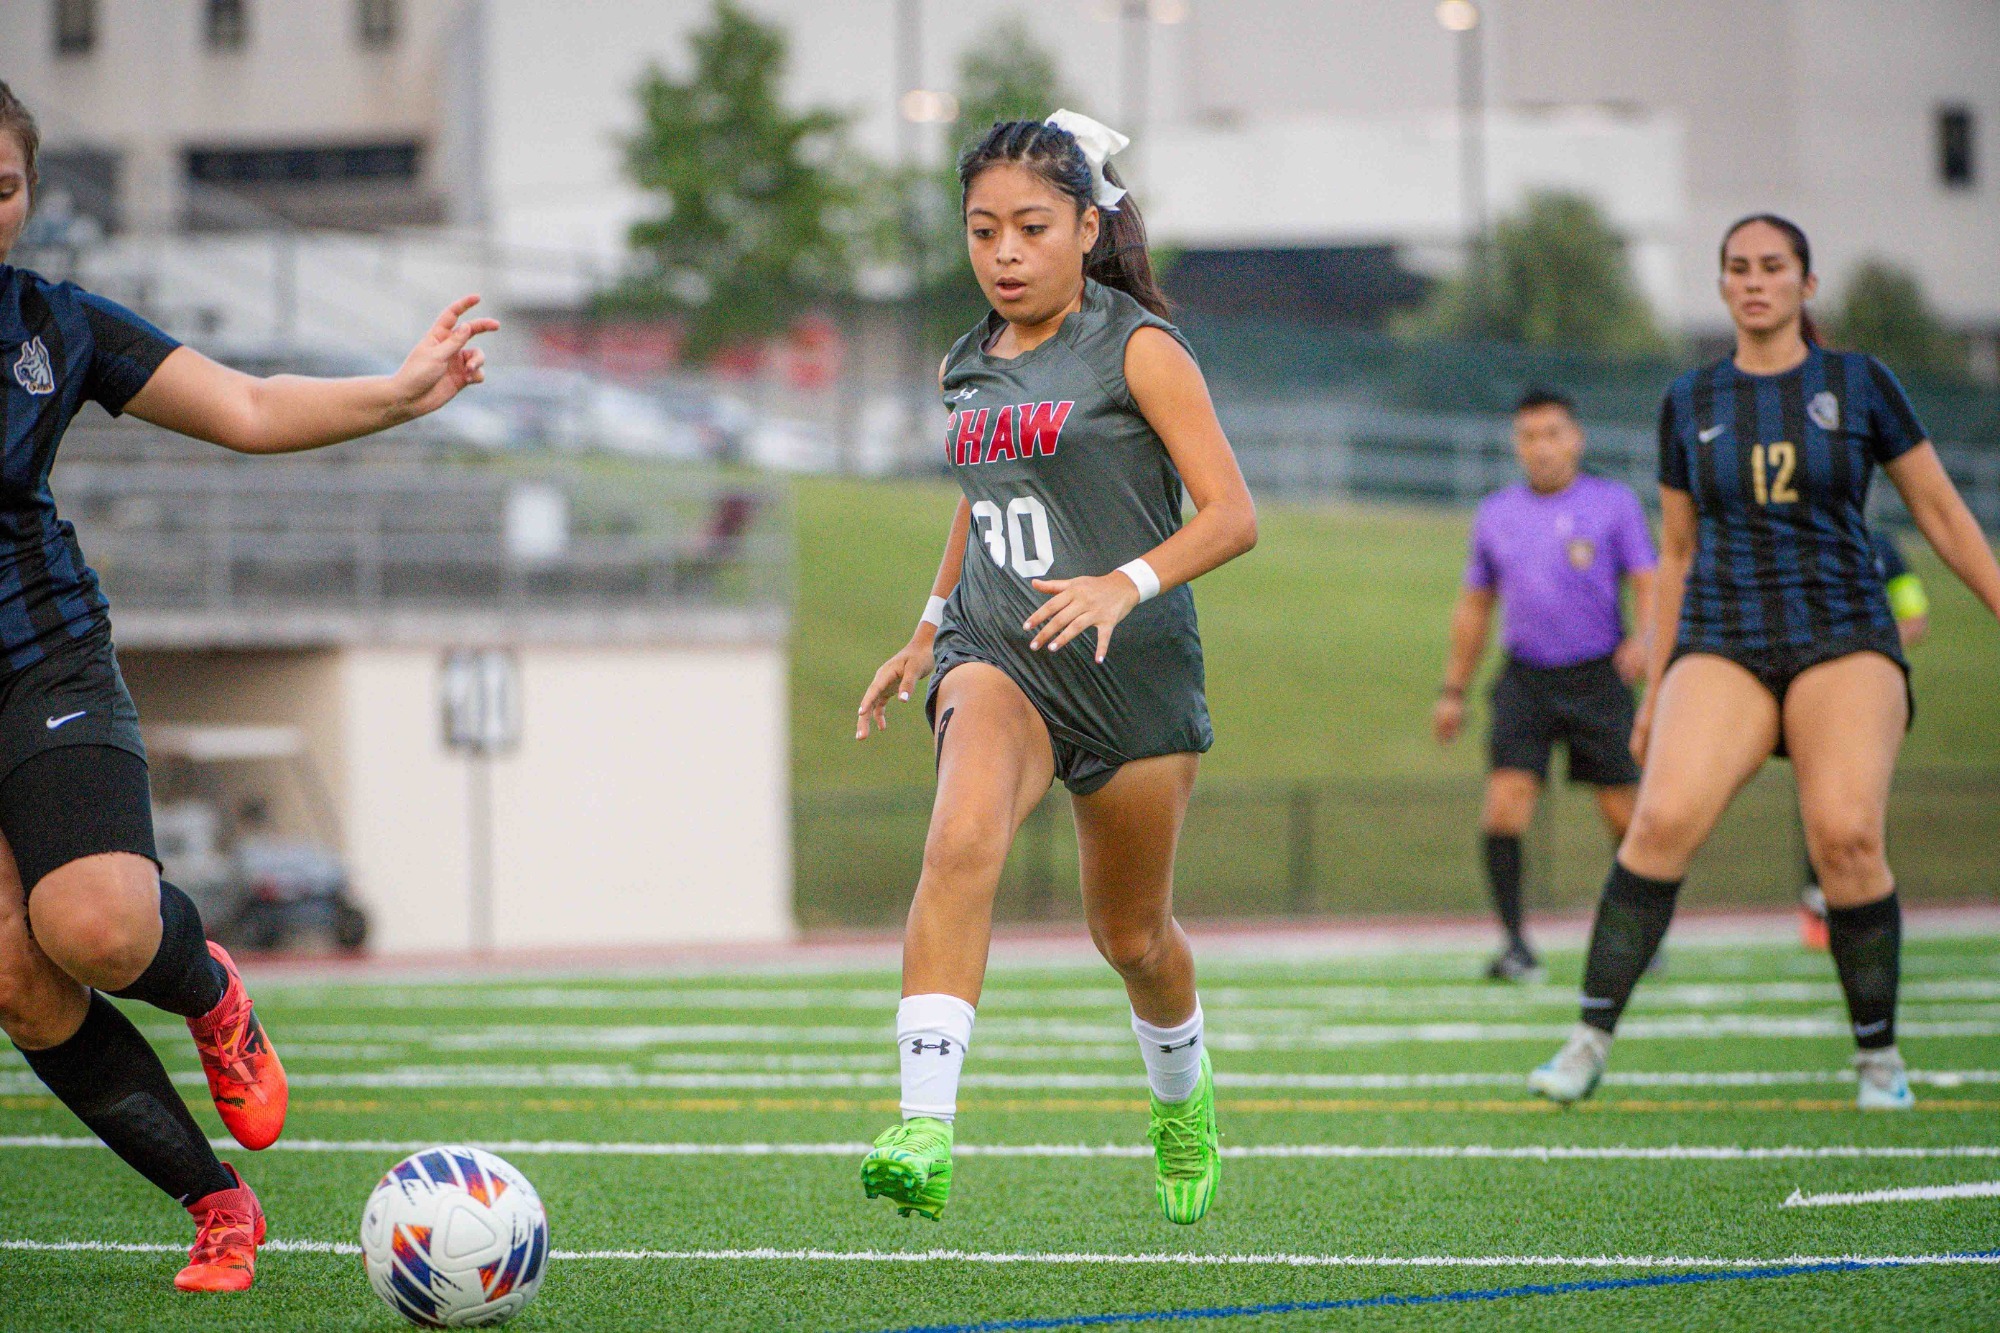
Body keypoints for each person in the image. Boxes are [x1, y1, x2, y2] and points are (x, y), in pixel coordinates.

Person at [0, 82, 497, 1291]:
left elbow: (247, 404)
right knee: (14, 977)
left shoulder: (53, 324)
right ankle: (218, 1203)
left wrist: (396, 392)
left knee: (95, 926)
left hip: (40, 655)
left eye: (1, 190)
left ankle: (210, 986)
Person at [852, 111, 1256, 1225]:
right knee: (959, 834)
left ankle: (1181, 1100)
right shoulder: (964, 363)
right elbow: (984, 503)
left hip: (1133, 675)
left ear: (1088, 225)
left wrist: (1120, 584)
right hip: (1002, 653)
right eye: (983, 230)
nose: (1005, 253)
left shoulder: (1138, 348)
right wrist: (933, 628)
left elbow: (1231, 517)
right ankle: (923, 1125)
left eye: (1031, 227)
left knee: (1129, 937)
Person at [1528, 214, 2000, 1111]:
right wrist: (1656, 681)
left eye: (1773, 267)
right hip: (1725, 634)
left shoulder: (1860, 384)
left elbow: (1937, 510)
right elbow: (1673, 551)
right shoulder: (1691, 399)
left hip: (1845, 631)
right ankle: (1587, 1040)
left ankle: (1877, 1059)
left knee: (1846, 838)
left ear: (1805, 284)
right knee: (1659, 820)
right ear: (1721, 287)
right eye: (1738, 268)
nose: (1755, 281)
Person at [1434, 388, 1657, 981]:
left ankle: (1640, 936)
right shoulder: (1496, 513)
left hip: (1598, 678)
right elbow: (1475, 606)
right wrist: (1453, 690)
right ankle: (1515, 945)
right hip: (1525, 679)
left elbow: (1649, 581)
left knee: (1623, 814)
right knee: (1504, 811)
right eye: (1529, 436)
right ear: (1517, 444)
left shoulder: (1614, 505)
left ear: (1576, 438)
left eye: (1553, 433)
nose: (1541, 447)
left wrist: (1647, 640)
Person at [1798, 529, 1929, 949]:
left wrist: (1870, 649)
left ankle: (1865, 911)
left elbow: (1914, 617)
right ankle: (1818, 906)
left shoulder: (1884, 549)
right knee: (1815, 795)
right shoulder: (1801, 541)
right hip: (1813, 680)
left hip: (1865, 689)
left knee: (1862, 801)